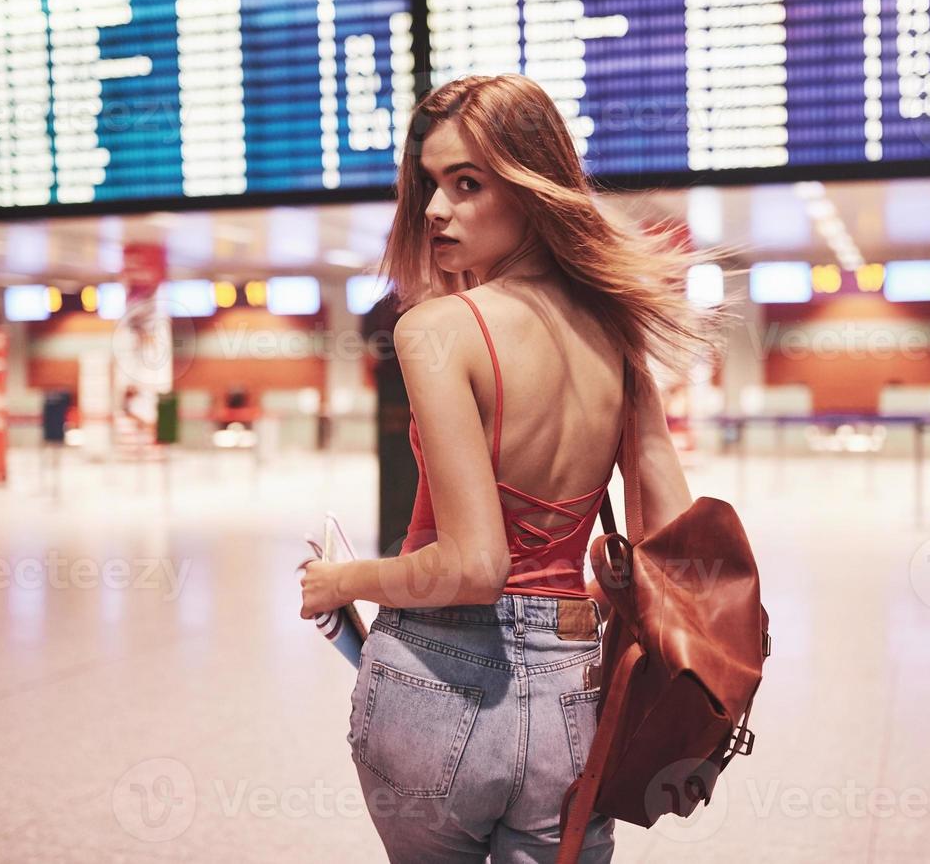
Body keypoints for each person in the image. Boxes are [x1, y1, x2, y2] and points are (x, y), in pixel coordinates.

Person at [298, 74, 731, 862]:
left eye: (467, 184)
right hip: (573, 696)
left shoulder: (437, 329)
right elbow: (672, 544)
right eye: (430, 185)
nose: (435, 210)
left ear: (533, 188)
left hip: (436, 677)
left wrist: (341, 582)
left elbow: (474, 566)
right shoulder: (617, 338)